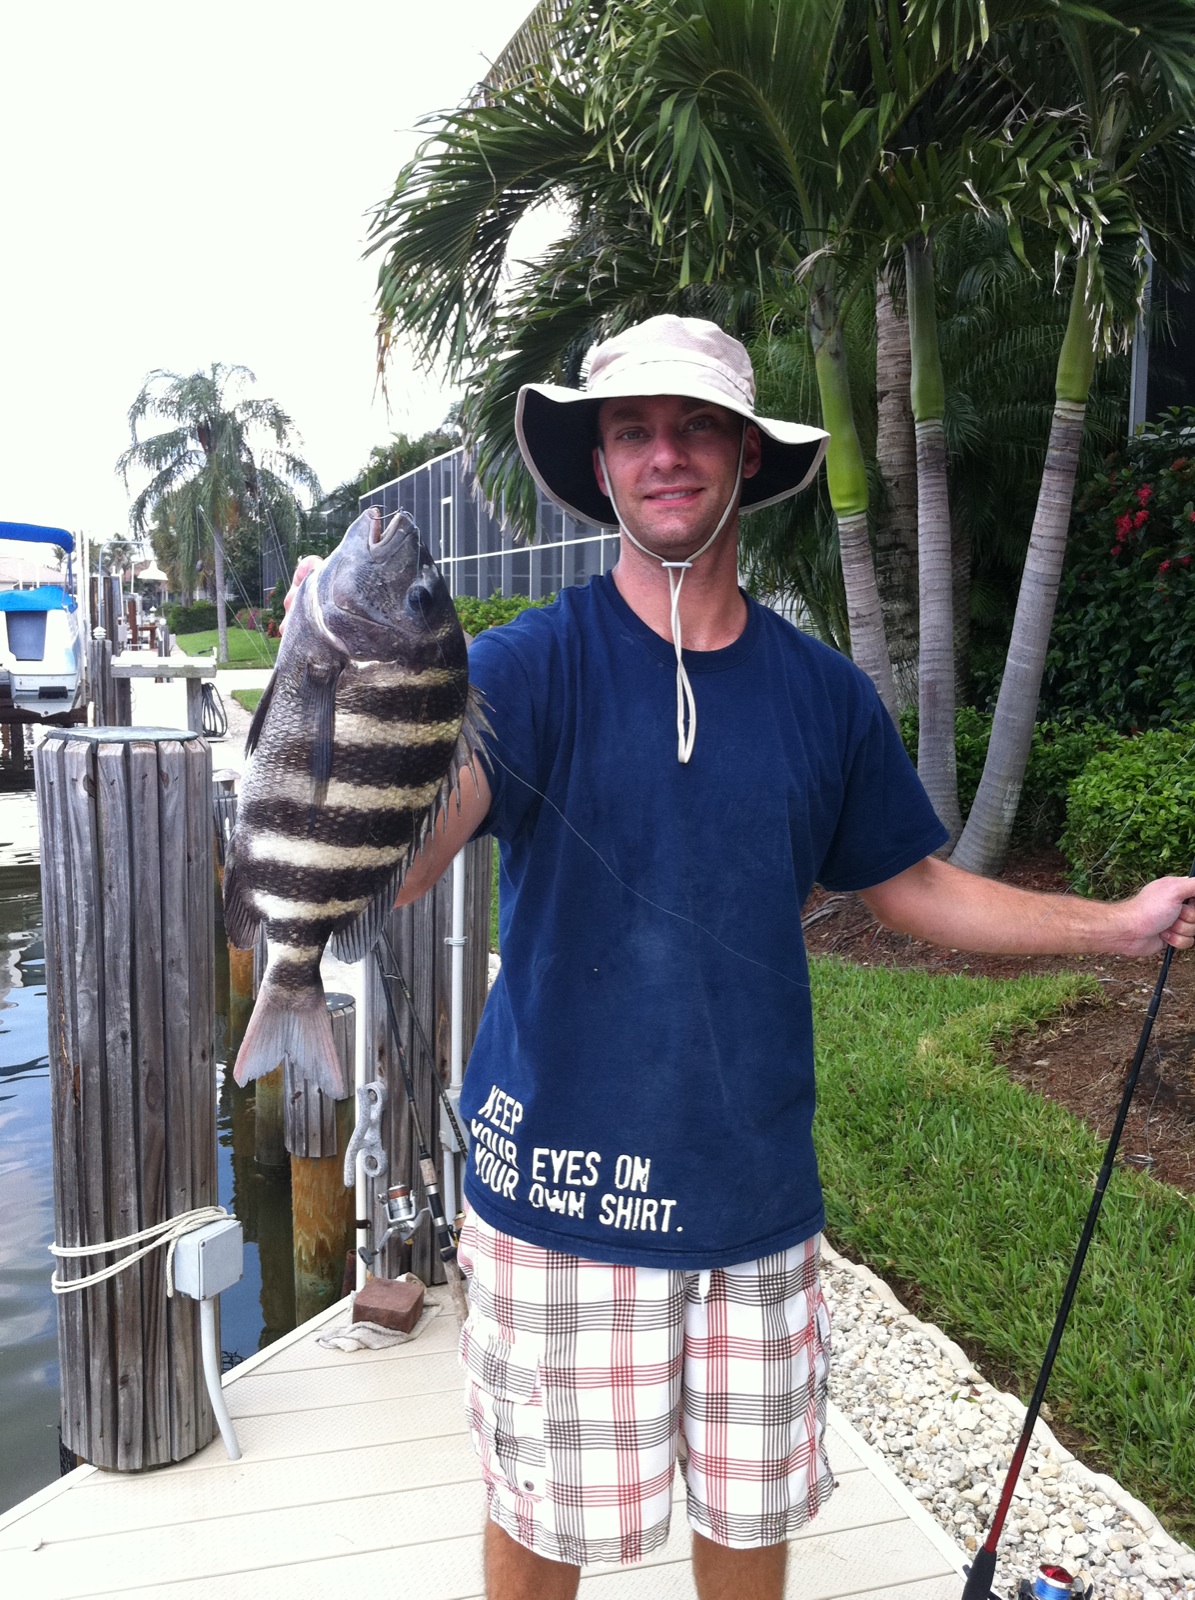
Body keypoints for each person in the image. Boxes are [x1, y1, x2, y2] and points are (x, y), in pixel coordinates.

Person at [288, 317, 1195, 1600]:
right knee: (542, 1526)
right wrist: (339, 690)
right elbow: (411, 851)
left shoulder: (824, 695)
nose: (664, 454)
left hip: (751, 1198)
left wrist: (1116, 924)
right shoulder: (529, 665)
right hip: (560, 1200)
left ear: (747, 455)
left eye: (695, 426)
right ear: (599, 463)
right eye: (633, 431)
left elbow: (912, 885)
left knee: (749, 1522)